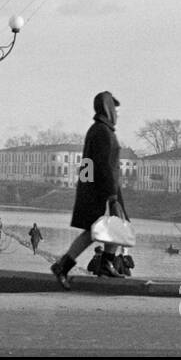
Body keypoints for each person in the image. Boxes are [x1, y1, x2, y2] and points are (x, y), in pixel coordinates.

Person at [50, 91, 127, 288]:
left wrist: (87, 186)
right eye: (116, 110)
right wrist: (110, 196)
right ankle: (69, 265)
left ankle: (102, 264)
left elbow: (90, 165)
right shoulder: (103, 132)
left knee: (104, 229)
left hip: (99, 188)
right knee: (104, 228)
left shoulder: (97, 130)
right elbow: (103, 165)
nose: (118, 114)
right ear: (109, 110)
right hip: (104, 190)